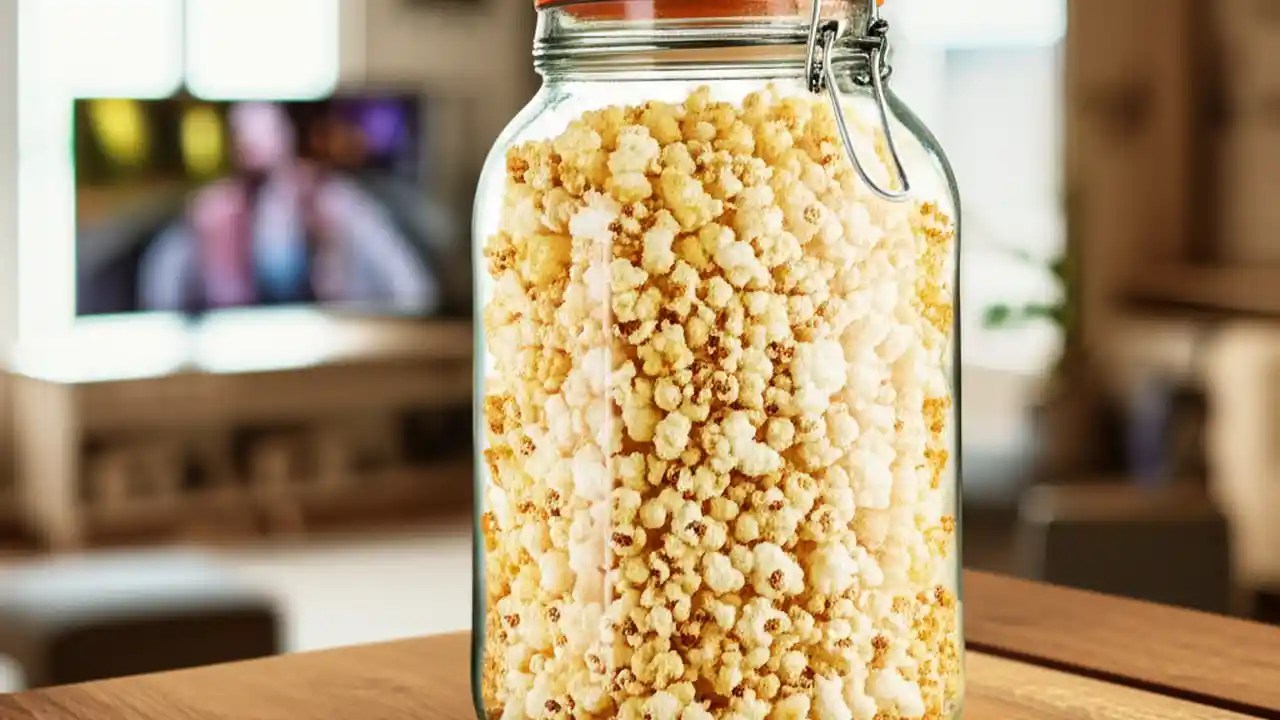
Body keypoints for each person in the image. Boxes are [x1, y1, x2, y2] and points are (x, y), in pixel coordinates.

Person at [139, 102, 438, 314]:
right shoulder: (213, 210)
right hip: (237, 349)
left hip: (328, 346)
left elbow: (408, 283)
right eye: (243, 139)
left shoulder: (327, 198)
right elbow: (162, 284)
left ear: (285, 139)